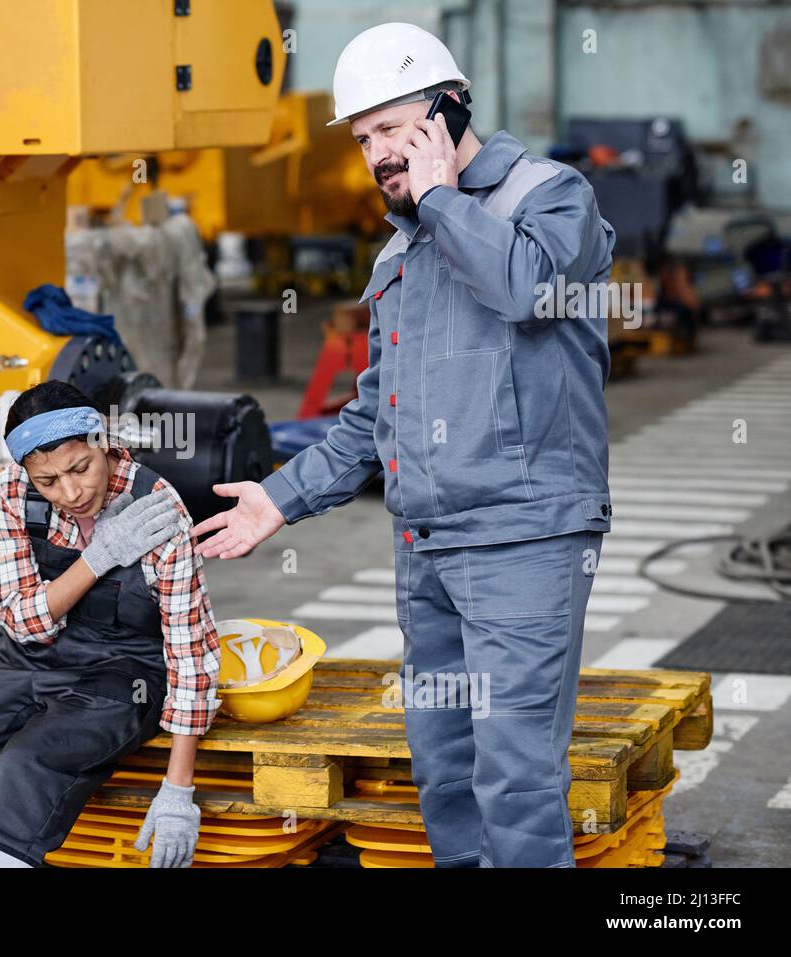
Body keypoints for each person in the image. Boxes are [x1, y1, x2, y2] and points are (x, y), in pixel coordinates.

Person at [191, 22, 616, 868]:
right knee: (446, 772)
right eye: (363, 139)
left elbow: (529, 288)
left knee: (516, 780)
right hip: (425, 551)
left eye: (393, 130)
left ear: (449, 110)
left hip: (523, 545)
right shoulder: (401, 254)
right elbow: (374, 413)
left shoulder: (552, 198)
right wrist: (283, 494)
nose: (378, 155)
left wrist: (439, 201)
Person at [0, 381, 221, 867]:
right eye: (49, 481)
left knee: (23, 769)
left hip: (122, 675)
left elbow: (191, 655)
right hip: (26, 655)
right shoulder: (12, 489)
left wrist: (177, 791)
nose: (72, 492)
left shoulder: (156, 509)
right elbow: (22, 621)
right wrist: (98, 559)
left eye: (82, 468)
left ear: (103, 444)